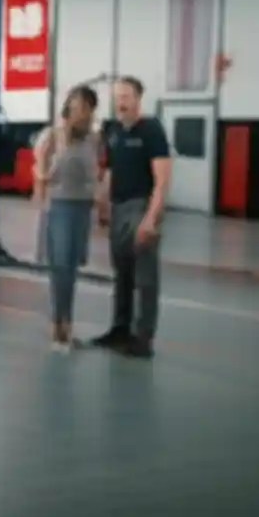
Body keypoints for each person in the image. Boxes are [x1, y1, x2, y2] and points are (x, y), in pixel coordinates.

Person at [91, 76, 172, 358]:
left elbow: (162, 180)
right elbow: (110, 170)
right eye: (117, 97)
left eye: (126, 96)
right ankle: (120, 329)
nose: (120, 102)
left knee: (145, 277)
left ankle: (143, 338)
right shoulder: (113, 131)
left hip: (142, 205)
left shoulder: (151, 130)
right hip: (118, 206)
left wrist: (152, 217)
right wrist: (103, 202)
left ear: (138, 99)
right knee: (122, 274)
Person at [32, 85, 102, 352]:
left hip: (82, 208)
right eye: (77, 106)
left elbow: (95, 175)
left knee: (71, 269)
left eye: (87, 108)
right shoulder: (51, 136)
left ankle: (68, 325)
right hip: (58, 207)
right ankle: (57, 325)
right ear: (68, 107)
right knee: (59, 268)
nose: (82, 112)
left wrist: (101, 203)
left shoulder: (94, 139)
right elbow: (40, 176)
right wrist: (44, 181)